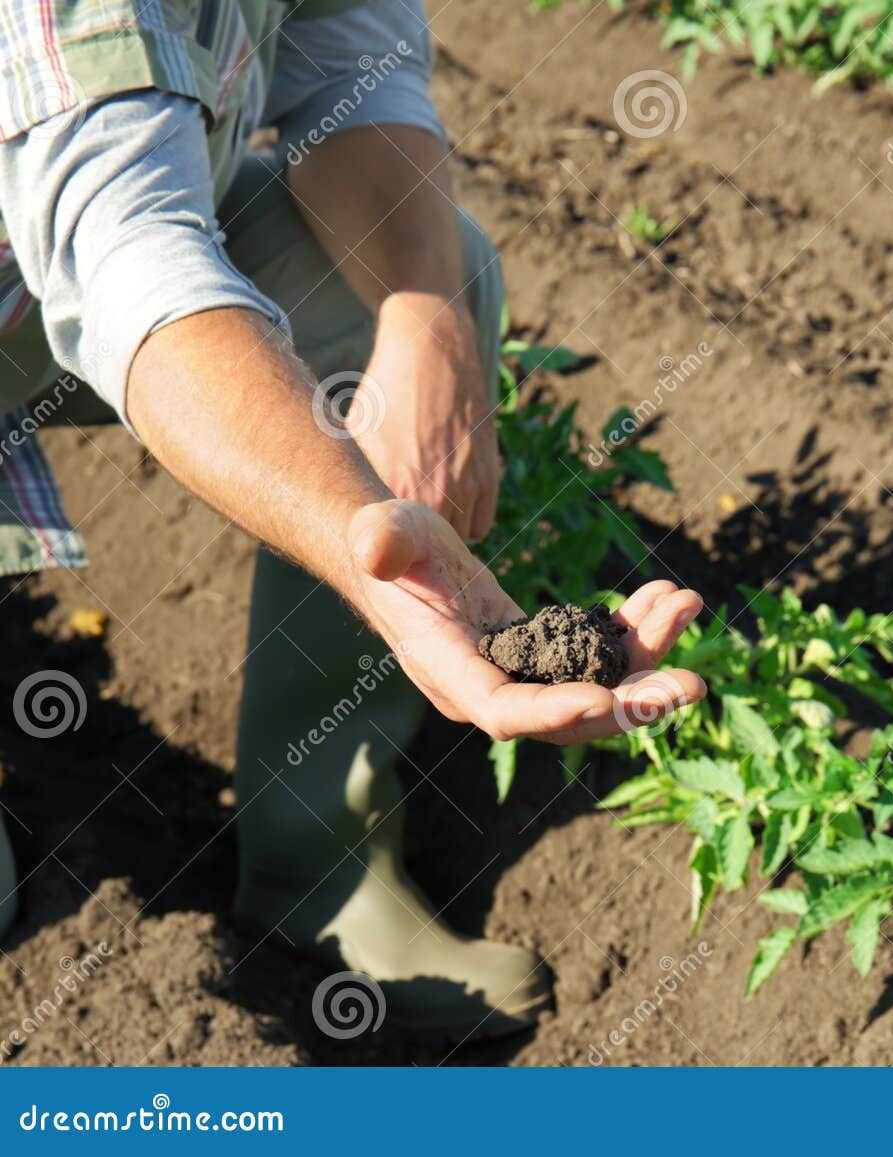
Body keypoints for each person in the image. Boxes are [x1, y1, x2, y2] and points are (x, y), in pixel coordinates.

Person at [0, 0, 705, 1038]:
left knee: (417, 275)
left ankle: (316, 868)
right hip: (87, 257)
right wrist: (353, 530)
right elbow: (128, 268)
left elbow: (353, 78)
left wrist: (426, 318)